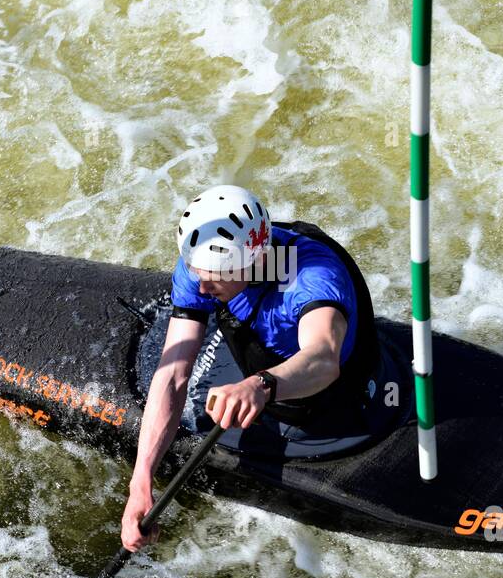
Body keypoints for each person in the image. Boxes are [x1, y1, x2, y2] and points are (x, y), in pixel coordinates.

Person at [122, 184, 380, 552]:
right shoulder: (205, 264)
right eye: (196, 272)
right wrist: (141, 482)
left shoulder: (310, 278)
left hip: (331, 397)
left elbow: (324, 358)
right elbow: (174, 374)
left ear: (254, 260)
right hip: (268, 366)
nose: (202, 284)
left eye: (215, 276)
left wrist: (260, 386)